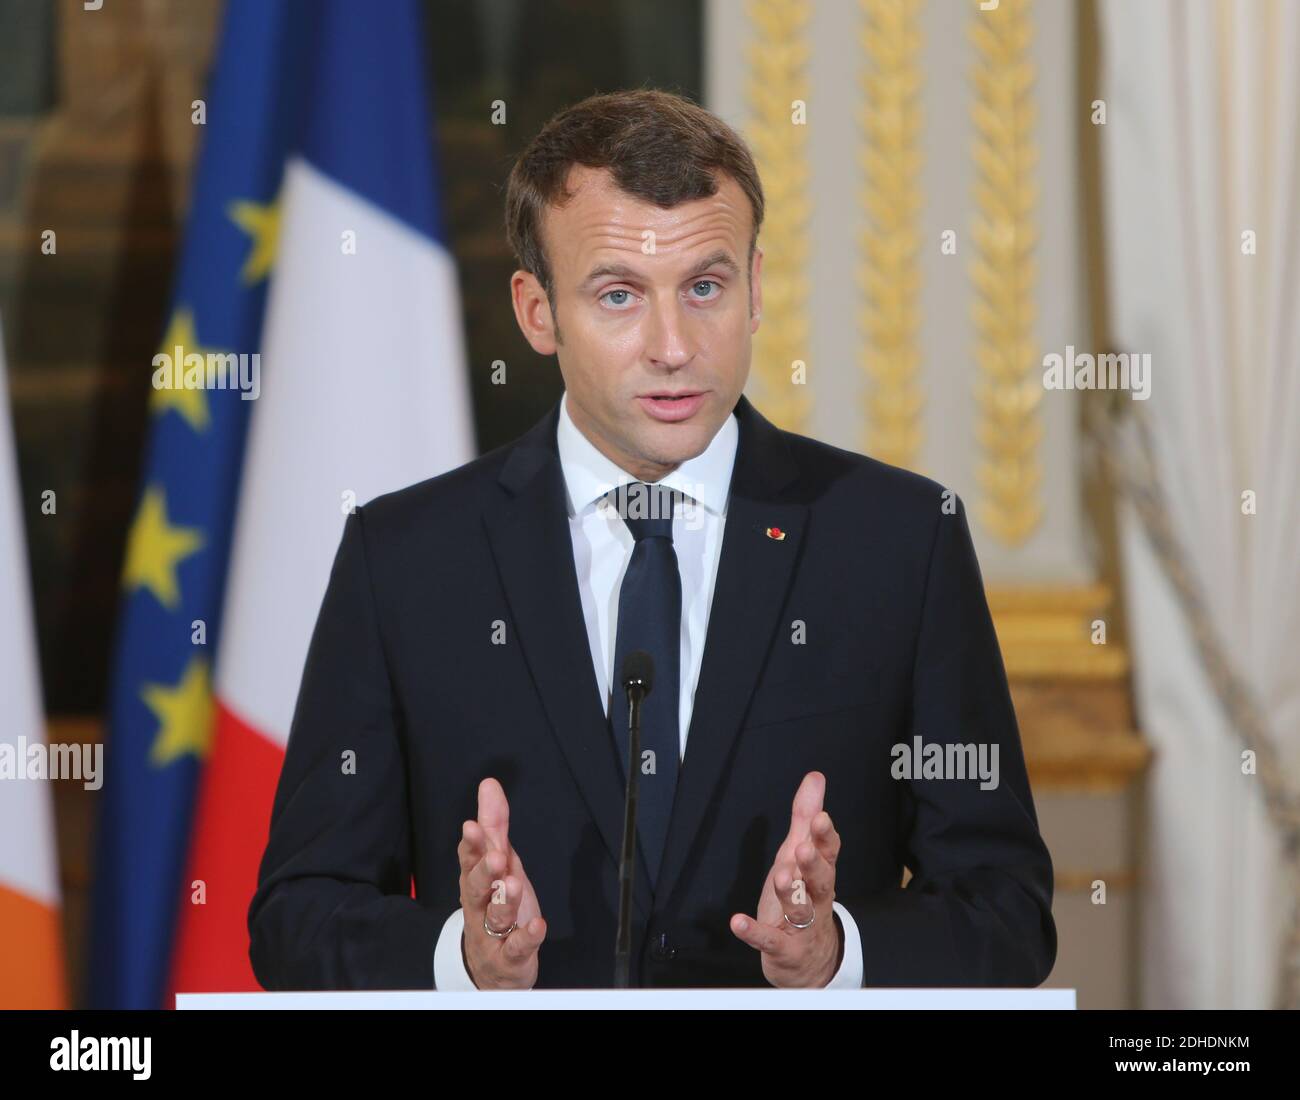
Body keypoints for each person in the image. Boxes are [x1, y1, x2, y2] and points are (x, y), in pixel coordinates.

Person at [247, 88, 1056, 991]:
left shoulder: (899, 543)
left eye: (704, 287)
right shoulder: (405, 559)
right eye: (619, 295)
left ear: (755, 289)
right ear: (537, 312)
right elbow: (297, 917)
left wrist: (836, 955)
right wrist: (462, 960)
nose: (673, 346)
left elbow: (1008, 910)